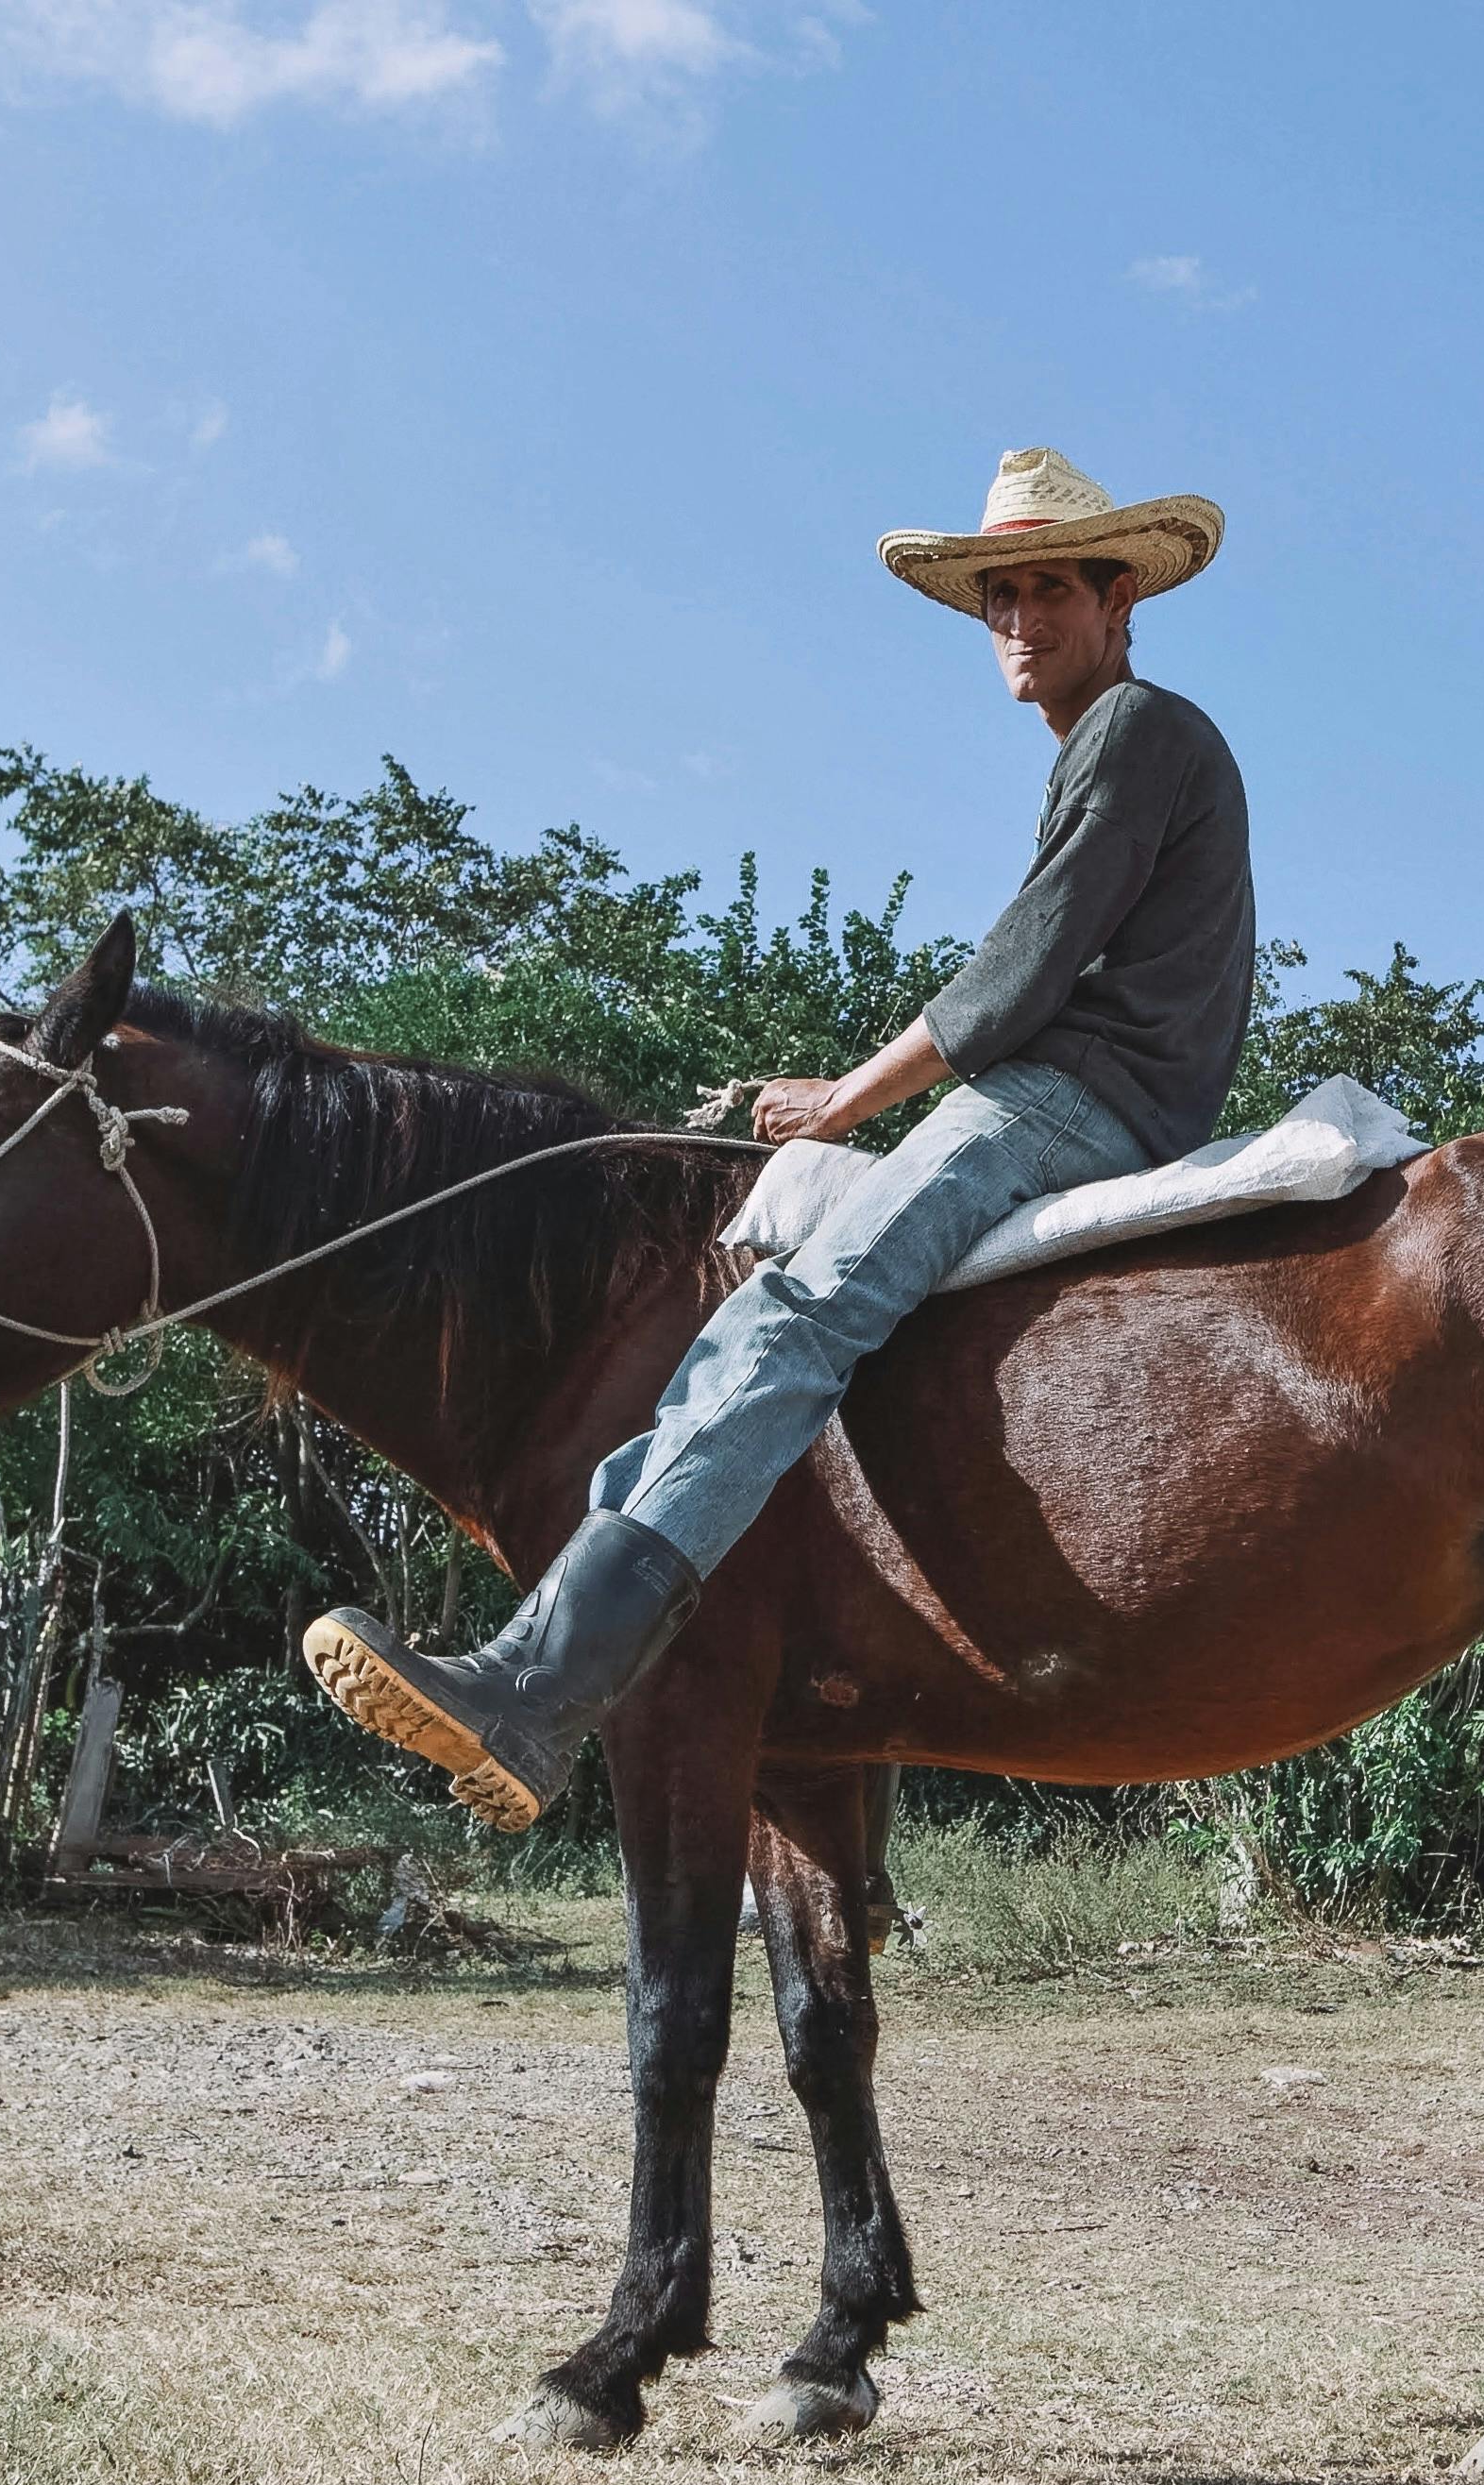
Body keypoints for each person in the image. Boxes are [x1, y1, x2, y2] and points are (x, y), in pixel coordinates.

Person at [308, 447, 1258, 1830]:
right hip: (1106, 1095)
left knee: (797, 1312)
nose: (1019, 622)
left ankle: (539, 1682)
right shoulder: (1129, 745)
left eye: (1048, 588)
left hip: (1066, 1101)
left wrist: (841, 1104)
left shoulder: (1132, 732)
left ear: (1121, 600)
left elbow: (1016, 978)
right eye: (998, 598)